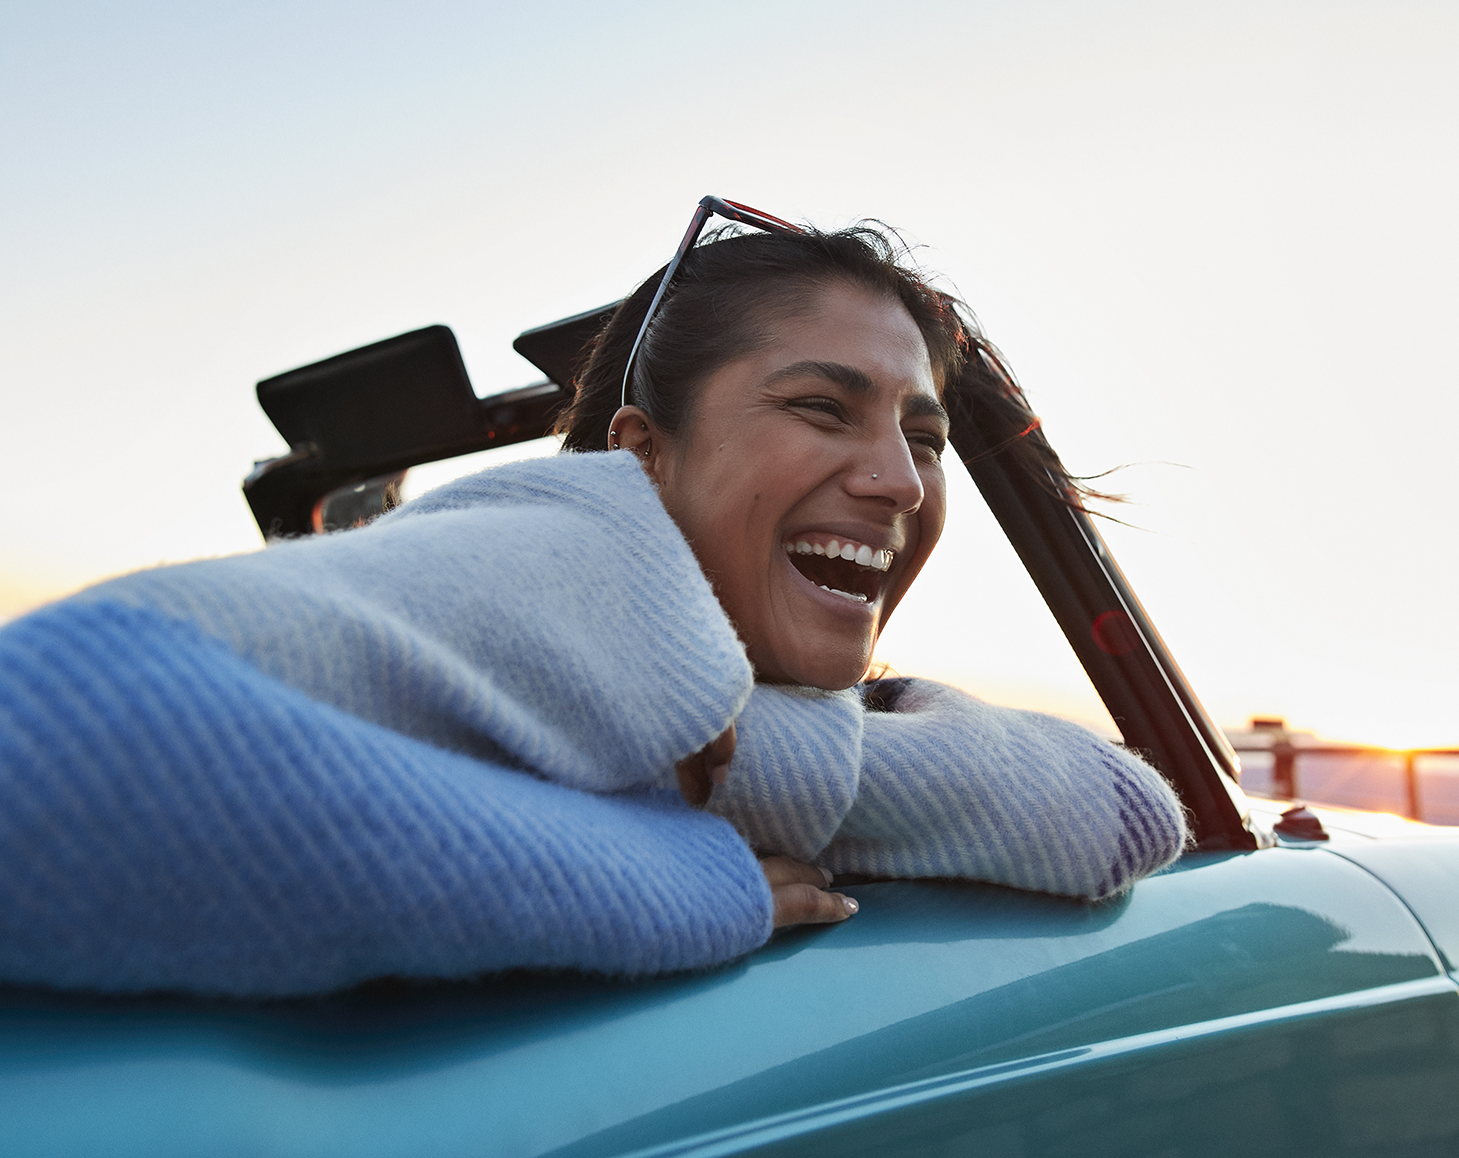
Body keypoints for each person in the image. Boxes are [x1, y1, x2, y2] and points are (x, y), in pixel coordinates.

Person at [0, 199, 1186, 997]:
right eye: (821, 409)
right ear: (643, 453)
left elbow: (1114, 819)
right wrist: (675, 879)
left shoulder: (708, 702)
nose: (895, 480)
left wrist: (802, 756)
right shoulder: (567, 556)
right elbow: (52, 744)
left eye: (923, 437)